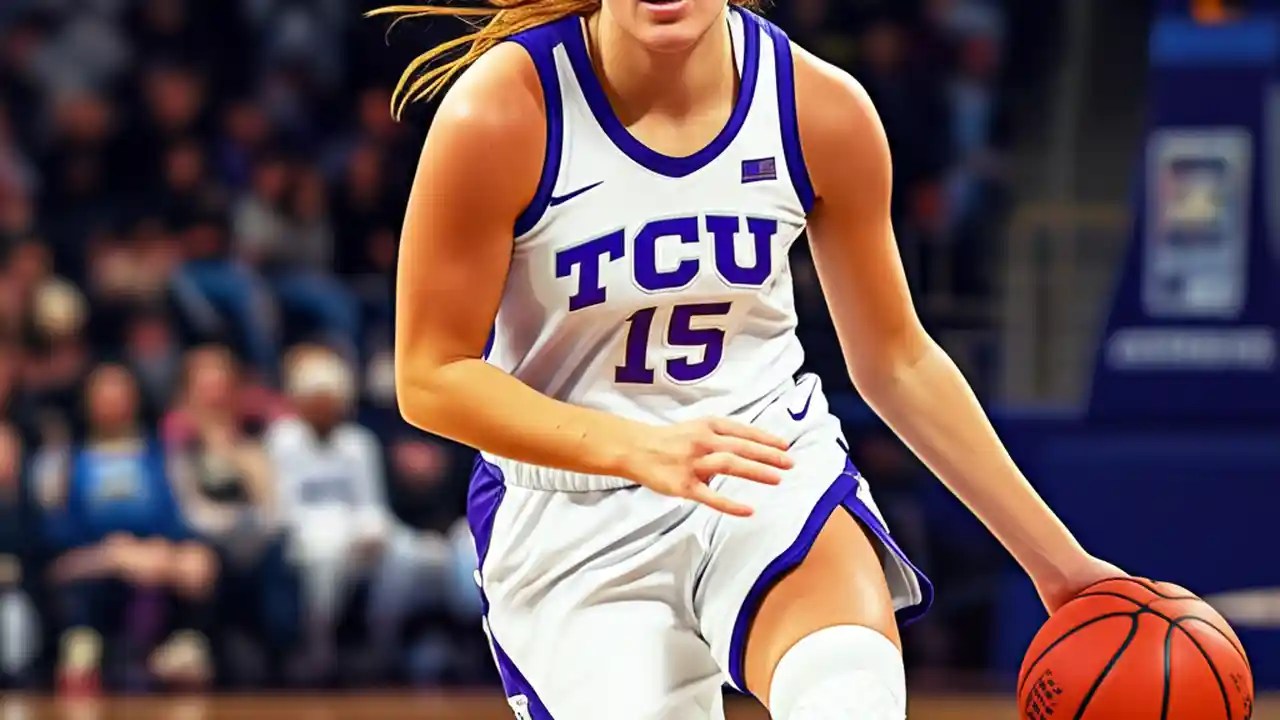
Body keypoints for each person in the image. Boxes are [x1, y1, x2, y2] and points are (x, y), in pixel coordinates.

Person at [384, 1, 1122, 718]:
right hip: (572, 503)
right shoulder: (504, 110)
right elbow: (431, 376)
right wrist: (639, 447)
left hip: (763, 460)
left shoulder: (817, 107)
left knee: (850, 692)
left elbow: (898, 360)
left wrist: (1061, 566)